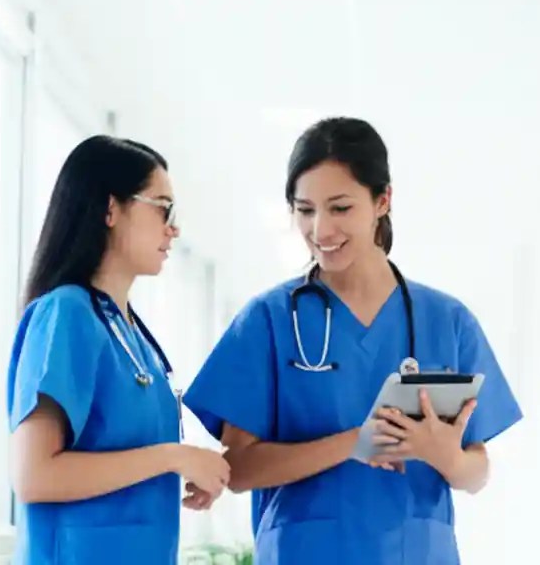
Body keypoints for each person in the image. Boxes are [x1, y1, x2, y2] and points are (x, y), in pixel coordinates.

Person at [184, 117, 522, 564]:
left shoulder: (448, 321)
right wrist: (355, 442)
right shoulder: (268, 320)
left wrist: (447, 457)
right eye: (305, 210)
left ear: (383, 200)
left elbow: (476, 473)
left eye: (340, 208)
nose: (320, 231)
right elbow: (240, 470)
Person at [6, 135, 230, 565]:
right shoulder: (67, 314)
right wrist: (173, 457)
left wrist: (185, 465)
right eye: (162, 207)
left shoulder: (131, 334)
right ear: (111, 208)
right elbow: (34, 475)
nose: (174, 227)